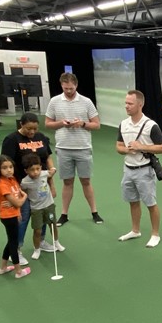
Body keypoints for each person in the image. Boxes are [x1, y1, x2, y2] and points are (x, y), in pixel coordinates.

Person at [44, 72, 103, 225]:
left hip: (83, 148)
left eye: (71, 88)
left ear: (76, 85)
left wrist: (82, 123)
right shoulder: (54, 101)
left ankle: (94, 212)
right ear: (61, 85)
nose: (69, 91)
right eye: (66, 88)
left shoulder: (86, 102)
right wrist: (61, 123)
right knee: (67, 182)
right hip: (63, 148)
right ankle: (64, 214)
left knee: (86, 181)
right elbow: (48, 123)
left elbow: (96, 125)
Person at [115, 90, 162, 248]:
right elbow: (118, 146)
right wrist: (126, 150)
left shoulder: (151, 125)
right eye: (126, 103)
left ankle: (155, 234)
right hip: (128, 169)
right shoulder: (123, 124)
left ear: (140, 104)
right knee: (132, 201)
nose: (126, 106)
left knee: (151, 203)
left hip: (145, 170)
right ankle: (135, 230)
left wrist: (141, 146)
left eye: (130, 103)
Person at [0, 112, 56, 255]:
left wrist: (52, 180)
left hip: (41, 185)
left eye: (35, 129)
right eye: (28, 128)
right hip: (21, 187)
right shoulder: (11, 139)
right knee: (23, 217)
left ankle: (41, 241)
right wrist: (11, 189)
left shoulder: (40, 137)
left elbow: (47, 157)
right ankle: (16, 249)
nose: (32, 132)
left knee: (42, 213)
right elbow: (6, 165)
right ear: (21, 125)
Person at [0, 155, 30, 279]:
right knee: (13, 243)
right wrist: (25, 197)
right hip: (8, 217)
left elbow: (16, 197)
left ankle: (3, 268)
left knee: (11, 240)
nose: (9, 170)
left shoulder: (12, 179)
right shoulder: (2, 184)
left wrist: (17, 211)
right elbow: (19, 201)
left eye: (11, 167)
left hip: (14, 214)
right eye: (4, 168)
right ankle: (18, 271)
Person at [19, 153, 64, 260]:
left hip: (49, 205)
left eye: (38, 169)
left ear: (40, 167)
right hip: (36, 209)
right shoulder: (25, 182)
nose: (36, 172)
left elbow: (51, 173)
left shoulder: (44, 174)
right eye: (32, 170)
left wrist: (53, 169)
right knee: (37, 230)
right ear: (26, 171)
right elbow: (23, 193)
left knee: (53, 225)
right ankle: (37, 249)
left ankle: (56, 242)